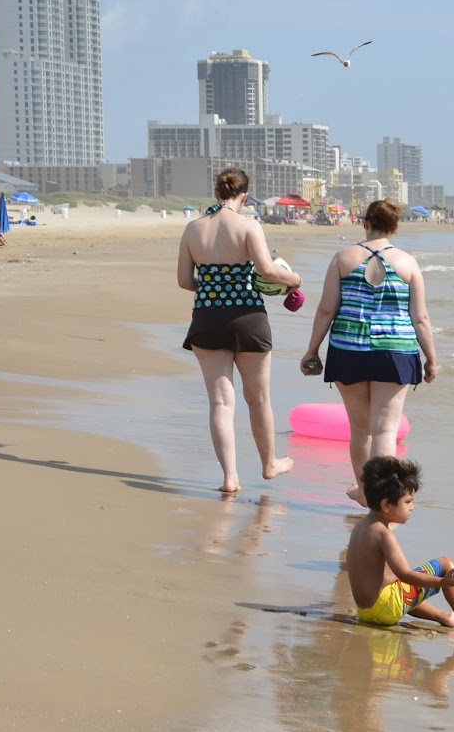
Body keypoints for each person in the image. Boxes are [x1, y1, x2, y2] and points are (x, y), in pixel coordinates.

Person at [300, 200, 437, 505]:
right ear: (395, 227)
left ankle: (365, 493)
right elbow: (421, 318)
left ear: (365, 222)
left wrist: (312, 350)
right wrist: (431, 358)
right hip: (396, 352)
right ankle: (382, 502)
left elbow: (326, 309)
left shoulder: (343, 258)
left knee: (361, 430)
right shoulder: (408, 263)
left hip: (349, 351)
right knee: (385, 429)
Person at [178, 167, 300, 494]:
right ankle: (269, 464)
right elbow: (266, 269)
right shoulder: (249, 225)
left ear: (217, 193)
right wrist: (295, 281)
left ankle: (230, 479)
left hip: (207, 319)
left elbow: (185, 280)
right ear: (244, 196)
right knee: (258, 398)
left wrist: (214, 288)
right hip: (247, 317)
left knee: (220, 403)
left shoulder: (193, 229)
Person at [346, 456, 454, 642]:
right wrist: (443, 582)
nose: (412, 507)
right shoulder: (385, 535)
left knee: (395, 583)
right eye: (407, 502)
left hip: (366, 611)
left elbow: (381, 576)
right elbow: (406, 575)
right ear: (386, 504)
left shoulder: (361, 527)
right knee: (446, 564)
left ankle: (443, 617)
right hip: (385, 609)